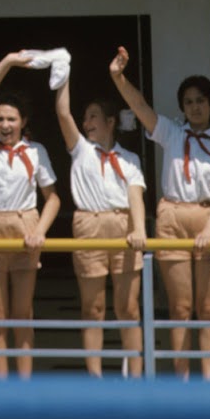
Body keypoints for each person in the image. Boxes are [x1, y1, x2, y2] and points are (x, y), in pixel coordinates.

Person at [110, 49, 210, 380]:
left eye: (201, 101)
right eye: (189, 101)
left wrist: (209, 227)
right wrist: (118, 77)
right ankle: (182, 379)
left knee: (207, 309)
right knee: (180, 307)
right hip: (173, 216)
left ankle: (206, 379)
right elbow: (140, 108)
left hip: (207, 216)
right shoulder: (172, 133)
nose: (195, 106)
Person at [54, 60, 145, 378]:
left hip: (123, 226)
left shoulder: (130, 159)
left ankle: (136, 375)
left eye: (93, 116)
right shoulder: (80, 150)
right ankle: (95, 377)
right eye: (85, 117)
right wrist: (63, 72)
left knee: (128, 307)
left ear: (110, 121)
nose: (86, 122)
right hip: (90, 225)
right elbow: (63, 114)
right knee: (93, 308)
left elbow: (136, 195)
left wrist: (140, 230)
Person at [0, 52, 60, 378]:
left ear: (22, 121)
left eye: (11, 119)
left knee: (22, 312)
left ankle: (24, 384)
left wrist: (40, 230)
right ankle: (1, 385)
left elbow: (53, 198)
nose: (4, 125)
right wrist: (7, 61)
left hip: (25, 226)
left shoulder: (36, 152)